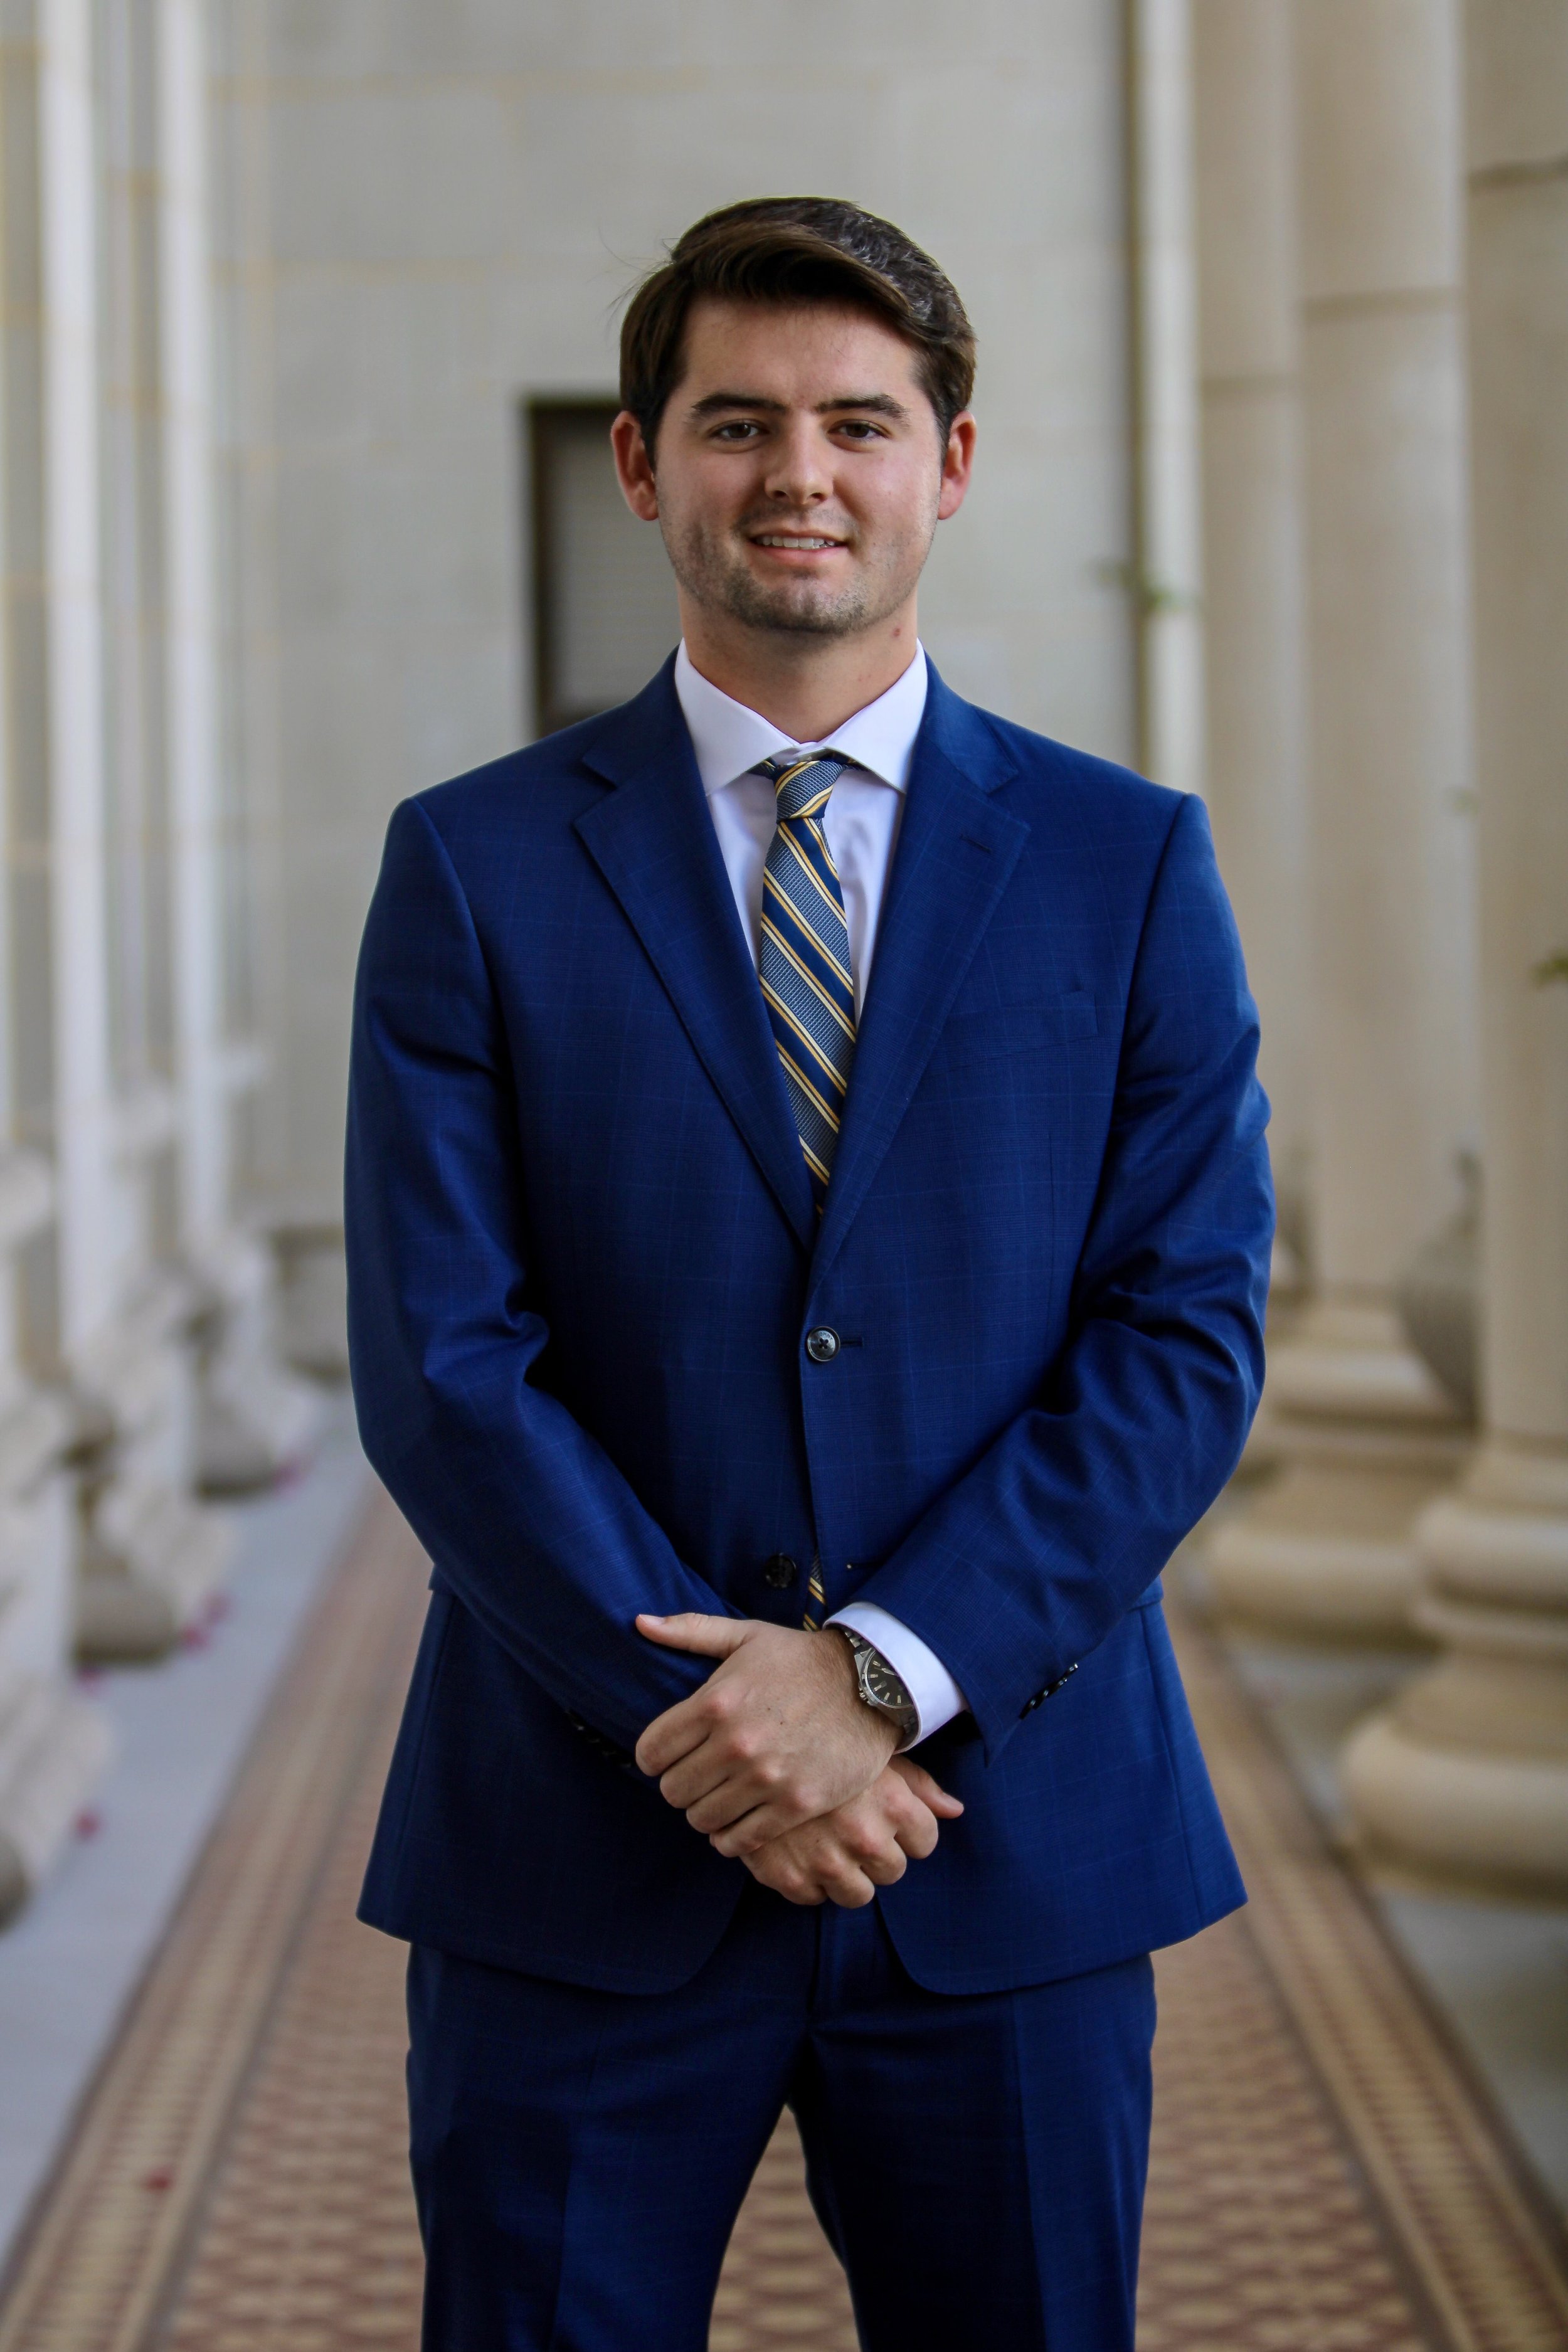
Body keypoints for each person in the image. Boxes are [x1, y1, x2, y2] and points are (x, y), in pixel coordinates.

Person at [346, 194, 1272, 2352]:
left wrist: (872, 1678)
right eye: (738, 421)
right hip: (582, 1839)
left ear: (951, 463)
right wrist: (722, 1726)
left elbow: (1180, 1334)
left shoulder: (1126, 862)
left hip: (1005, 1836)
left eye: (858, 423)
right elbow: (443, 1360)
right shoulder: (471, 862)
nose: (801, 474)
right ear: (639, 461)